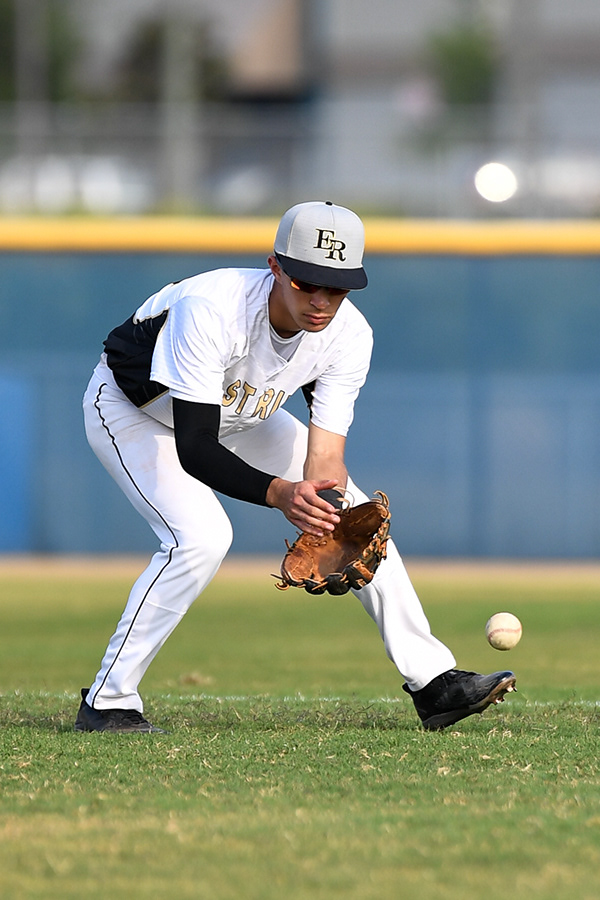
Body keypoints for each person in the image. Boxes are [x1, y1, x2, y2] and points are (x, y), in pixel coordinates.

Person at [76, 200, 516, 734]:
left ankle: (434, 683)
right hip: (135, 411)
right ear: (276, 267)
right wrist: (282, 494)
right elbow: (195, 446)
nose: (322, 301)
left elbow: (325, 457)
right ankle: (108, 701)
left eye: (339, 287)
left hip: (241, 416)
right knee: (201, 539)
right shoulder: (211, 309)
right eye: (308, 283)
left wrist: (326, 519)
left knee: (357, 516)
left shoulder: (349, 335)